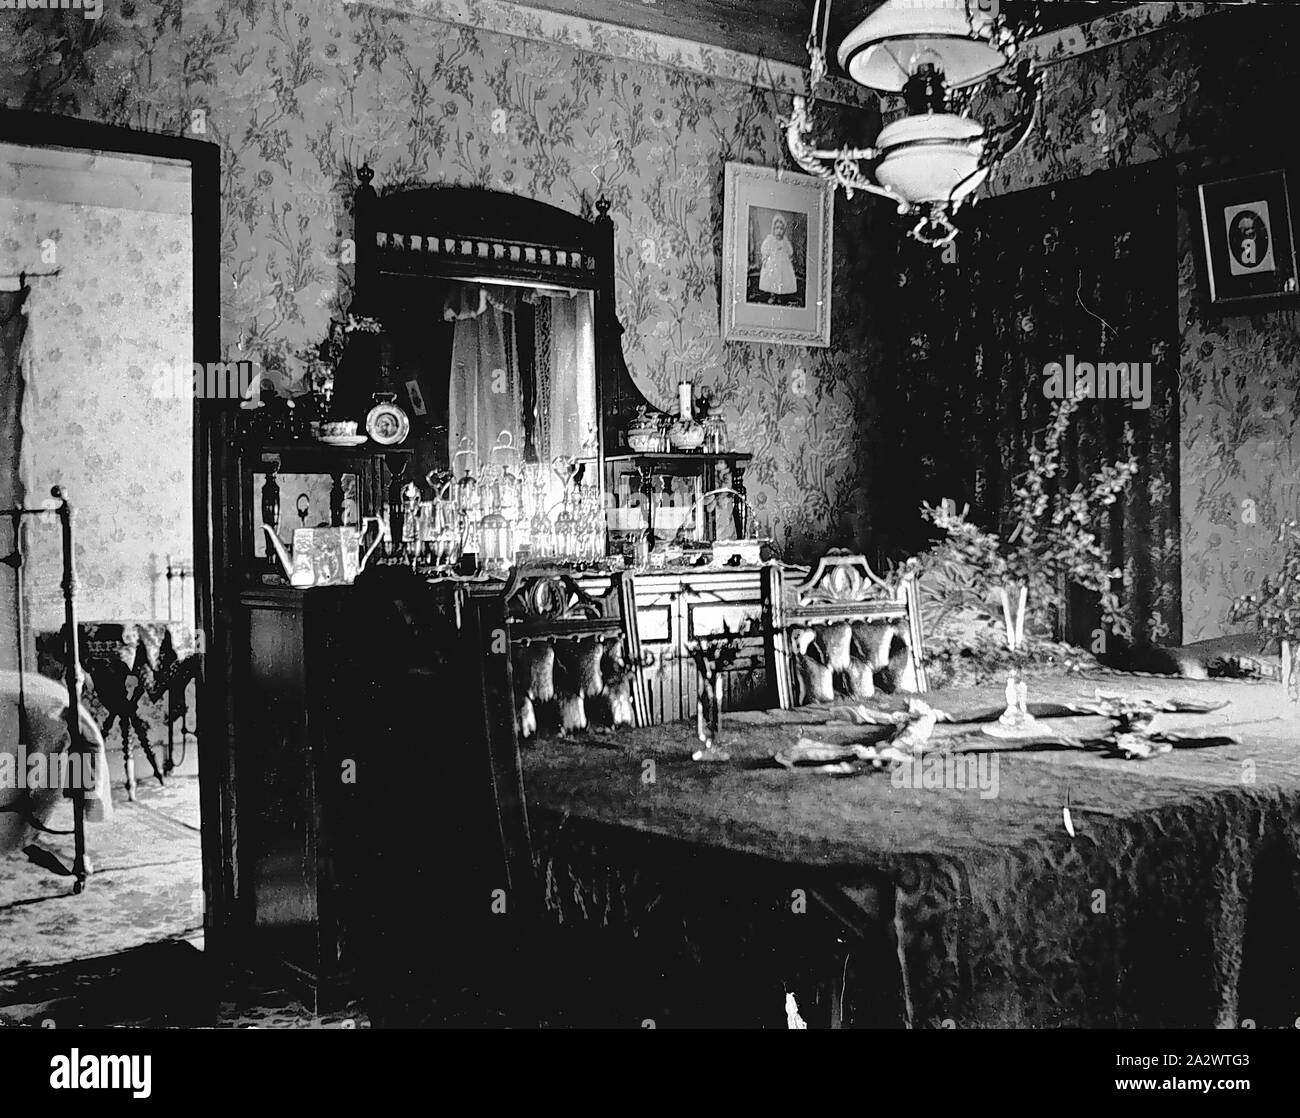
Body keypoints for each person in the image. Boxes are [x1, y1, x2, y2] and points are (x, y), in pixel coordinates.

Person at [758, 214, 797, 298]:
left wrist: (789, 257)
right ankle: (772, 295)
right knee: (772, 279)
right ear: (773, 229)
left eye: (781, 228)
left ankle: (781, 295)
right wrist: (765, 257)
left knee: (783, 278)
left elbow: (790, 251)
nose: (779, 231)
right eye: (777, 228)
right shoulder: (770, 239)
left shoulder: (785, 241)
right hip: (772, 263)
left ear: (784, 230)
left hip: (783, 263)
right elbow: (764, 248)